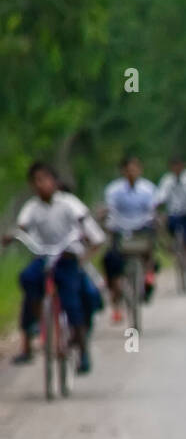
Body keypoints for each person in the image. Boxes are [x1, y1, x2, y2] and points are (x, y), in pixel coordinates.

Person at [3, 161, 105, 372]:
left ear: (55, 181)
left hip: (66, 256)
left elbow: (84, 222)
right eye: (36, 181)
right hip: (44, 256)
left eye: (45, 179)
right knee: (28, 278)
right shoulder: (32, 207)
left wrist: (87, 238)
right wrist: (12, 236)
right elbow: (22, 226)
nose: (41, 184)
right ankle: (37, 318)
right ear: (31, 185)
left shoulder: (68, 203)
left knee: (72, 300)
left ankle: (82, 349)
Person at [101, 154, 158, 322]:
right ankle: (115, 300)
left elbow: (153, 209)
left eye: (135, 168)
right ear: (123, 171)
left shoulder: (148, 189)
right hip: (120, 231)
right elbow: (109, 208)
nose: (132, 172)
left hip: (142, 228)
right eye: (128, 169)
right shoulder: (114, 190)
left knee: (151, 249)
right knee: (110, 262)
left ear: (140, 170)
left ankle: (149, 275)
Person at [153, 155, 186, 260]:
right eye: (174, 166)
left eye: (178, 166)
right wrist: (157, 203)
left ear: (182, 166)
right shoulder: (167, 180)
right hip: (174, 213)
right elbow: (161, 195)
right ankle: (173, 246)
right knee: (166, 225)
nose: (176, 169)